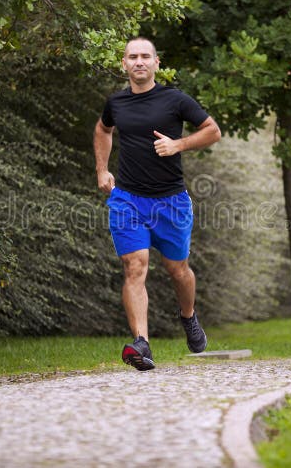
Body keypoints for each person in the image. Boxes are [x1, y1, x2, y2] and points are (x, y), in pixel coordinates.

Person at [93, 36, 221, 371]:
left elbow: (212, 130)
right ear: (124, 63)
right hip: (128, 199)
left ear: (156, 63)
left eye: (145, 57)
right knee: (135, 266)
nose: (138, 62)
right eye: (132, 57)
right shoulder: (116, 103)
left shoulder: (174, 99)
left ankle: (188, 316)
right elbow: (103, 130)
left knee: (178, 270)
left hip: (171, 201)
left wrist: (179, 145)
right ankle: (142, 344)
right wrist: (102, 169)